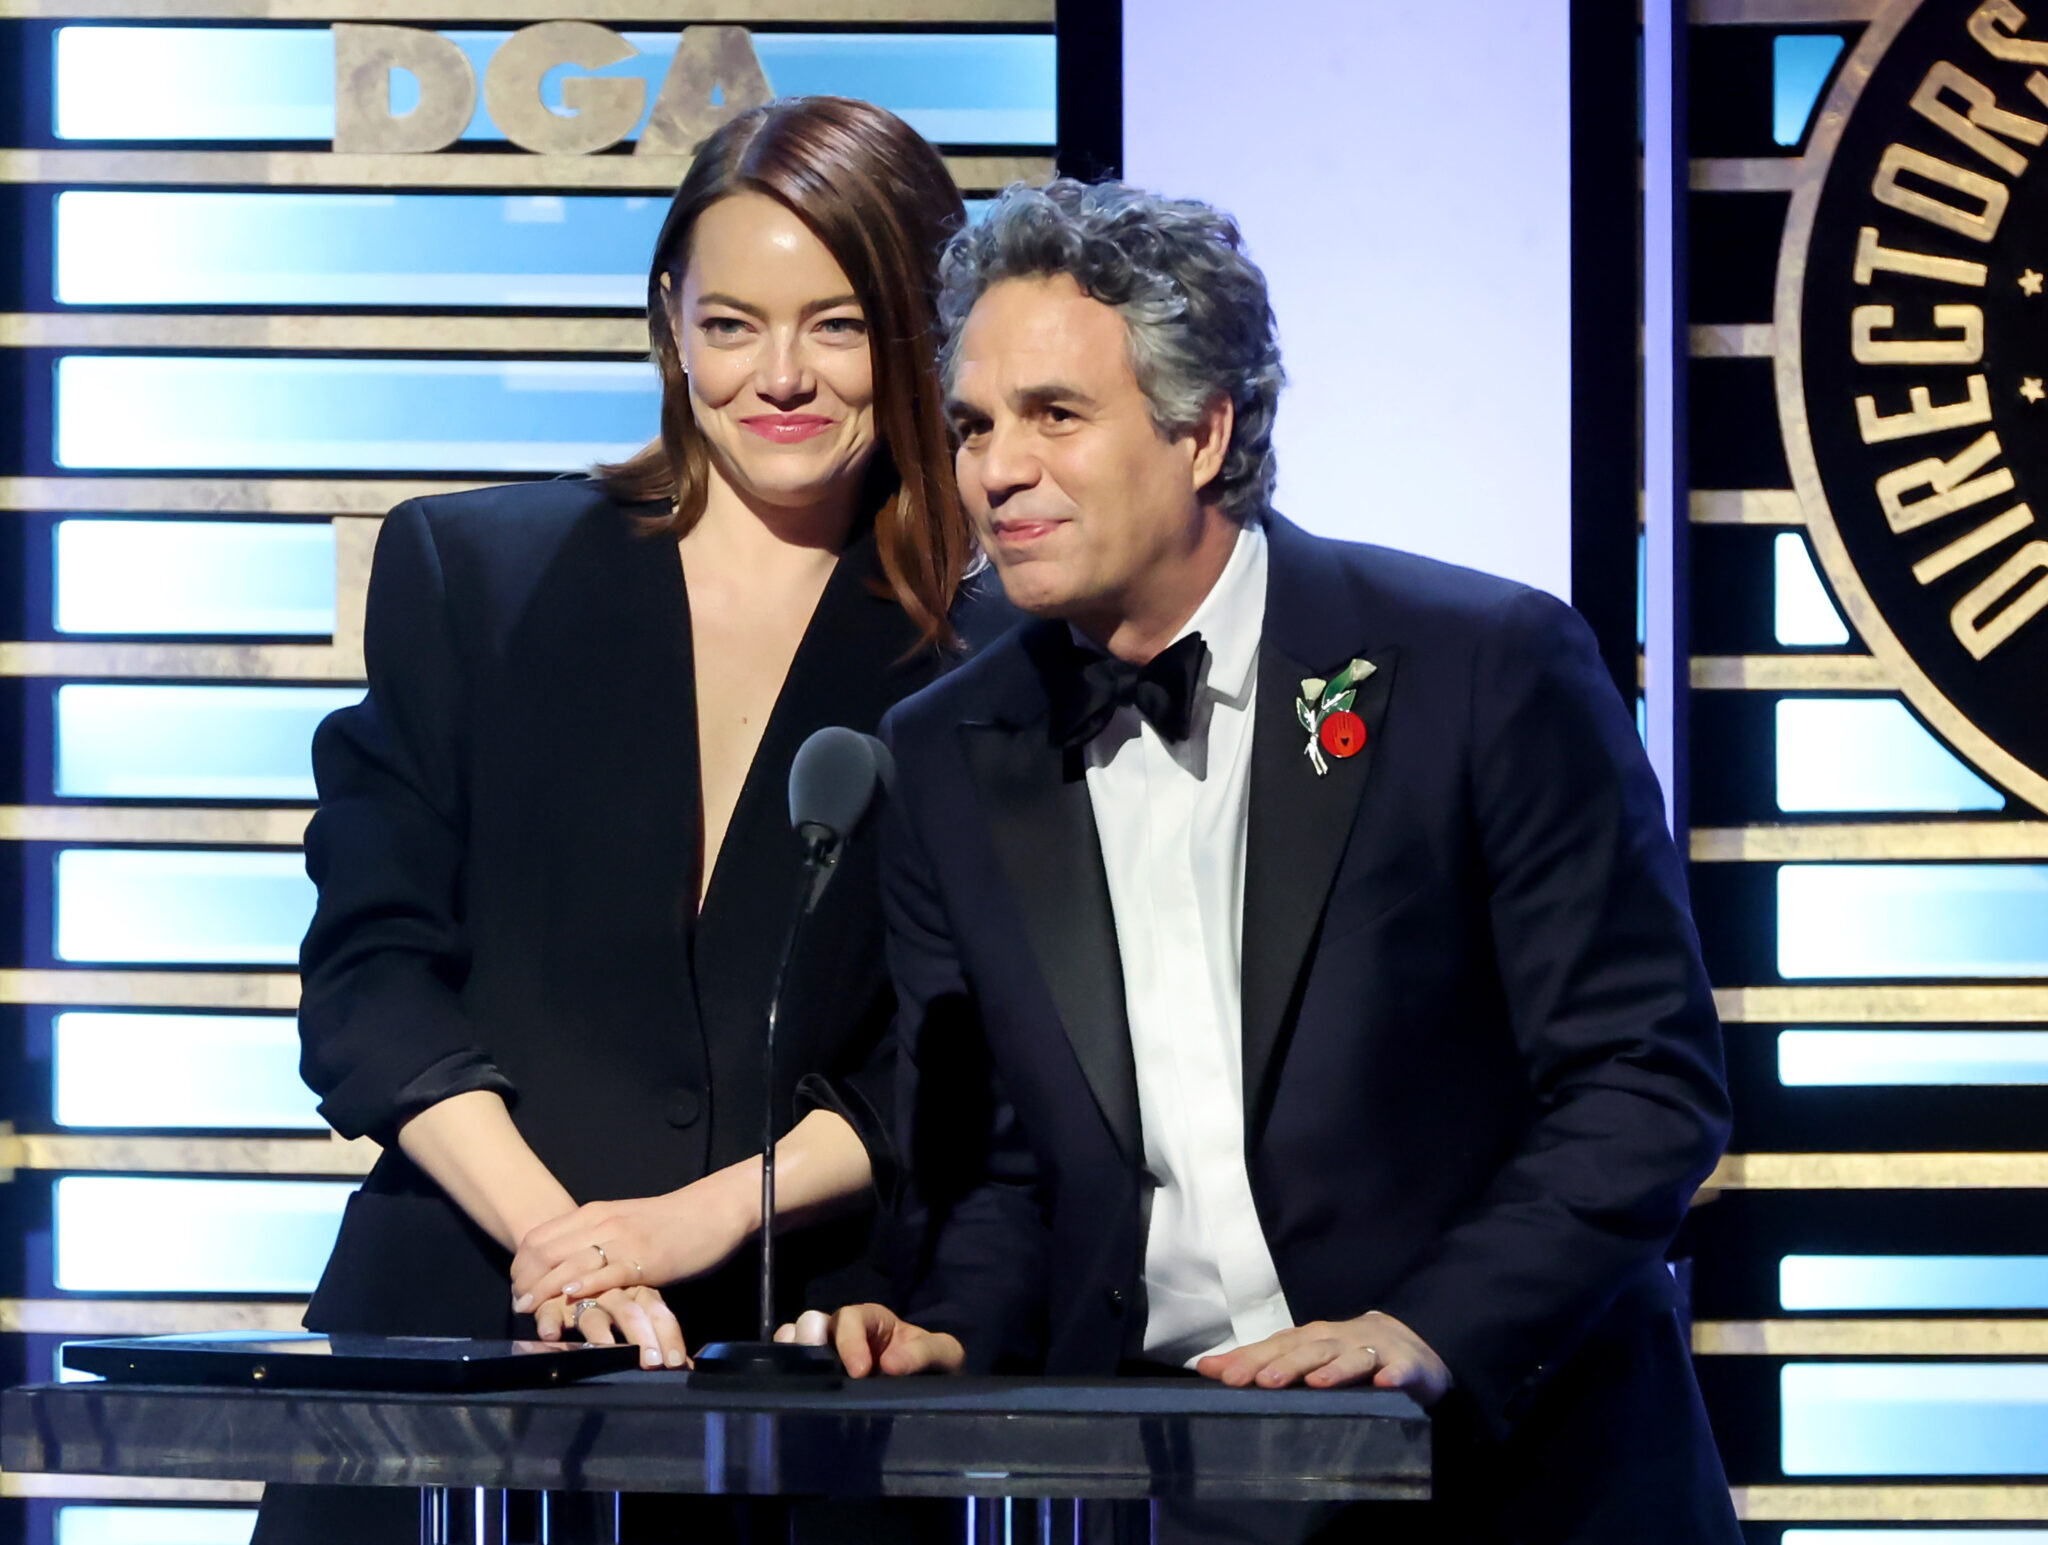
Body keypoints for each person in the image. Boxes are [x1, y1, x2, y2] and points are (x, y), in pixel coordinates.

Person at [789, 181, 1743, 1543]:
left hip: (1504, 1472)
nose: (997, 470)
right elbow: (1004, 1172)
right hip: (1159, 1486)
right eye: (973, 426)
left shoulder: (1482, 667)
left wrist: (1423, 1329)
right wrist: (951, 1329)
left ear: (1204, 430)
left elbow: (1643, 1083)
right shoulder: (948, 748)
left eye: (1056, 415)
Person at [253, 97, 975, 1544]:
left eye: (835, 326)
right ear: (668, 320)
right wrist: (557, 1236)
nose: (779, 376)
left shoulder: (986, 651)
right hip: (458, 1322)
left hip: (798, 1352)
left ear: (914, 336)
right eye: (732, 323)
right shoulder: (479, 571)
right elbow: (370, 976)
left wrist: (698, 1219)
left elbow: (967, 1052)